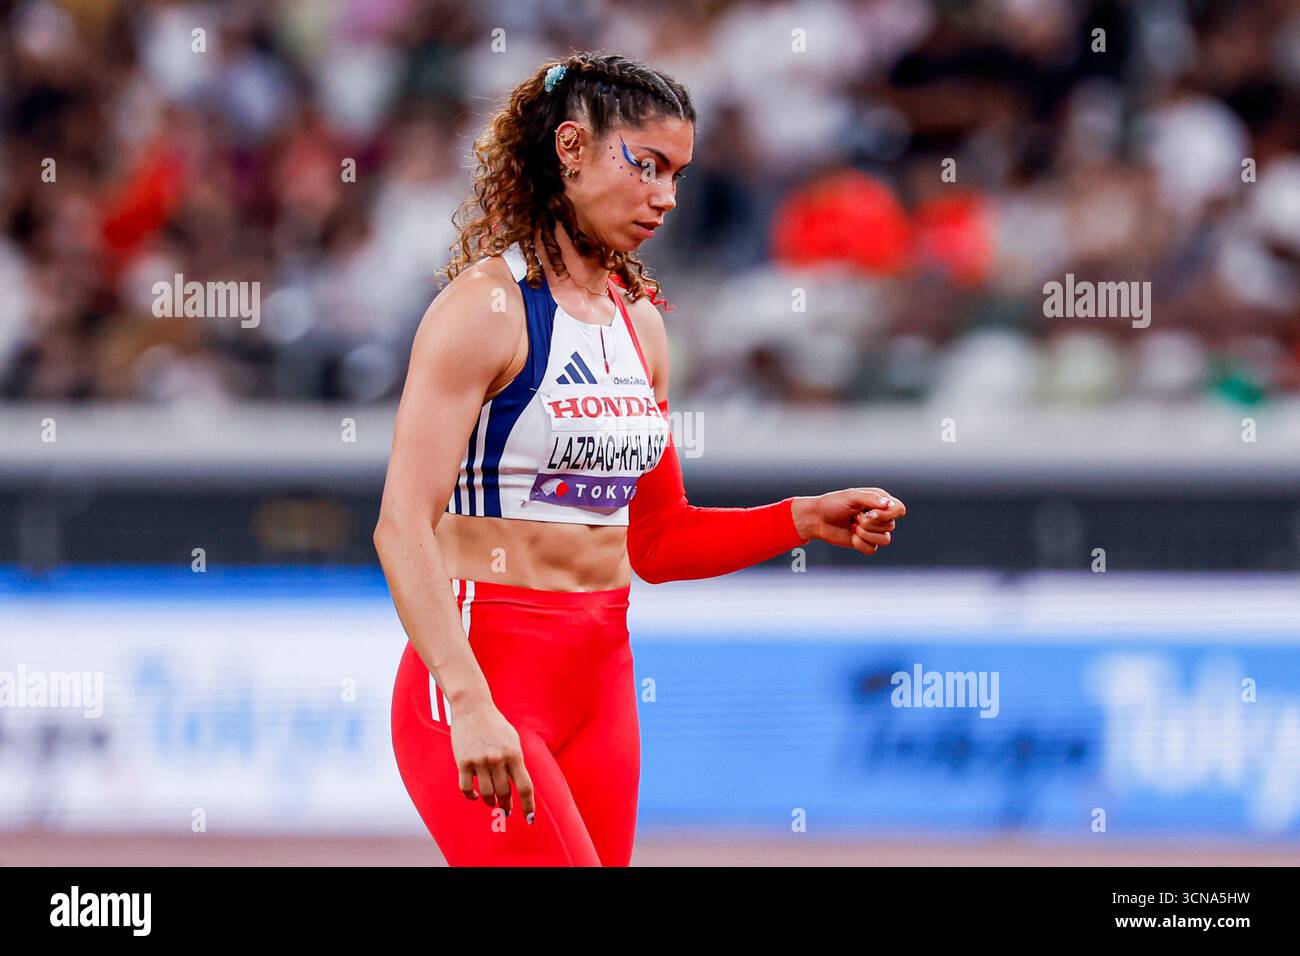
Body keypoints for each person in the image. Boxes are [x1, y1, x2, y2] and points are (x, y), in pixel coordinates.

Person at [376, 53, 906, 867]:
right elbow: (401, 525)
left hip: (602, 686)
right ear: (571, 149)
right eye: (647, 164)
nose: (665, 196)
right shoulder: (484, 310)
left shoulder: (642, 328)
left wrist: (801, 518)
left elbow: (658, 542)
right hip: (484, 679)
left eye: (678, 174)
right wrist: (470, 701)